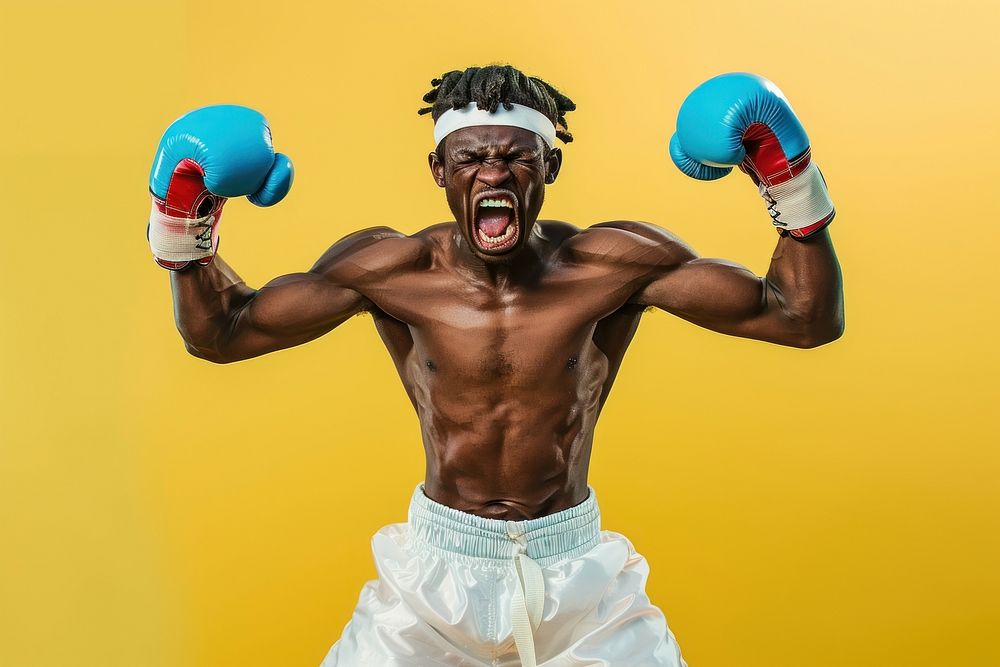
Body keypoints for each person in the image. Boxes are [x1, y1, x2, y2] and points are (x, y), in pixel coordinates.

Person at [147, 64, 843, 666]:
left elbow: (801, 317)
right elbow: (222, 333)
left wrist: (788, 180)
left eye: (514, 157)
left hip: (579, 576)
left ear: (550, 167)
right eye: (472, 158)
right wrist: (182, 223)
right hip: (432, 579)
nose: (492, 173)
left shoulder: (613, 264)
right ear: (440, 172)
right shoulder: (391, 269)